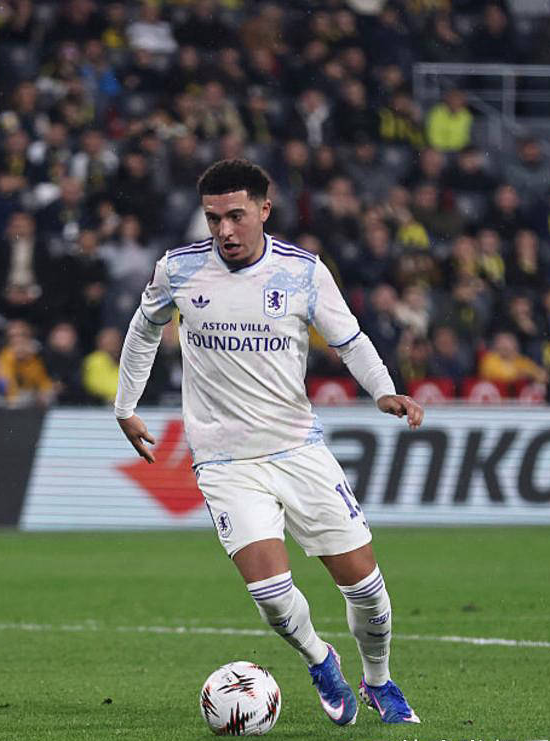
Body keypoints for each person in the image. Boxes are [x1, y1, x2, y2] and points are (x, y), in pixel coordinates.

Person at [114, 160, 423, 726]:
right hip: (224, 460)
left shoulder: (302, 272)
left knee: (368, 592)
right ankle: (320, 658)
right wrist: (125, 406)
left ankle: (378, 680)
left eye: (236, 216)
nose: (224, 230)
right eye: (213, 219)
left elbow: (350, 339)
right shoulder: (179, 270)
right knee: (272, 594)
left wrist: (384, 390)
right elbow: (143, 329)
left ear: (264, 210)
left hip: (298, 450)